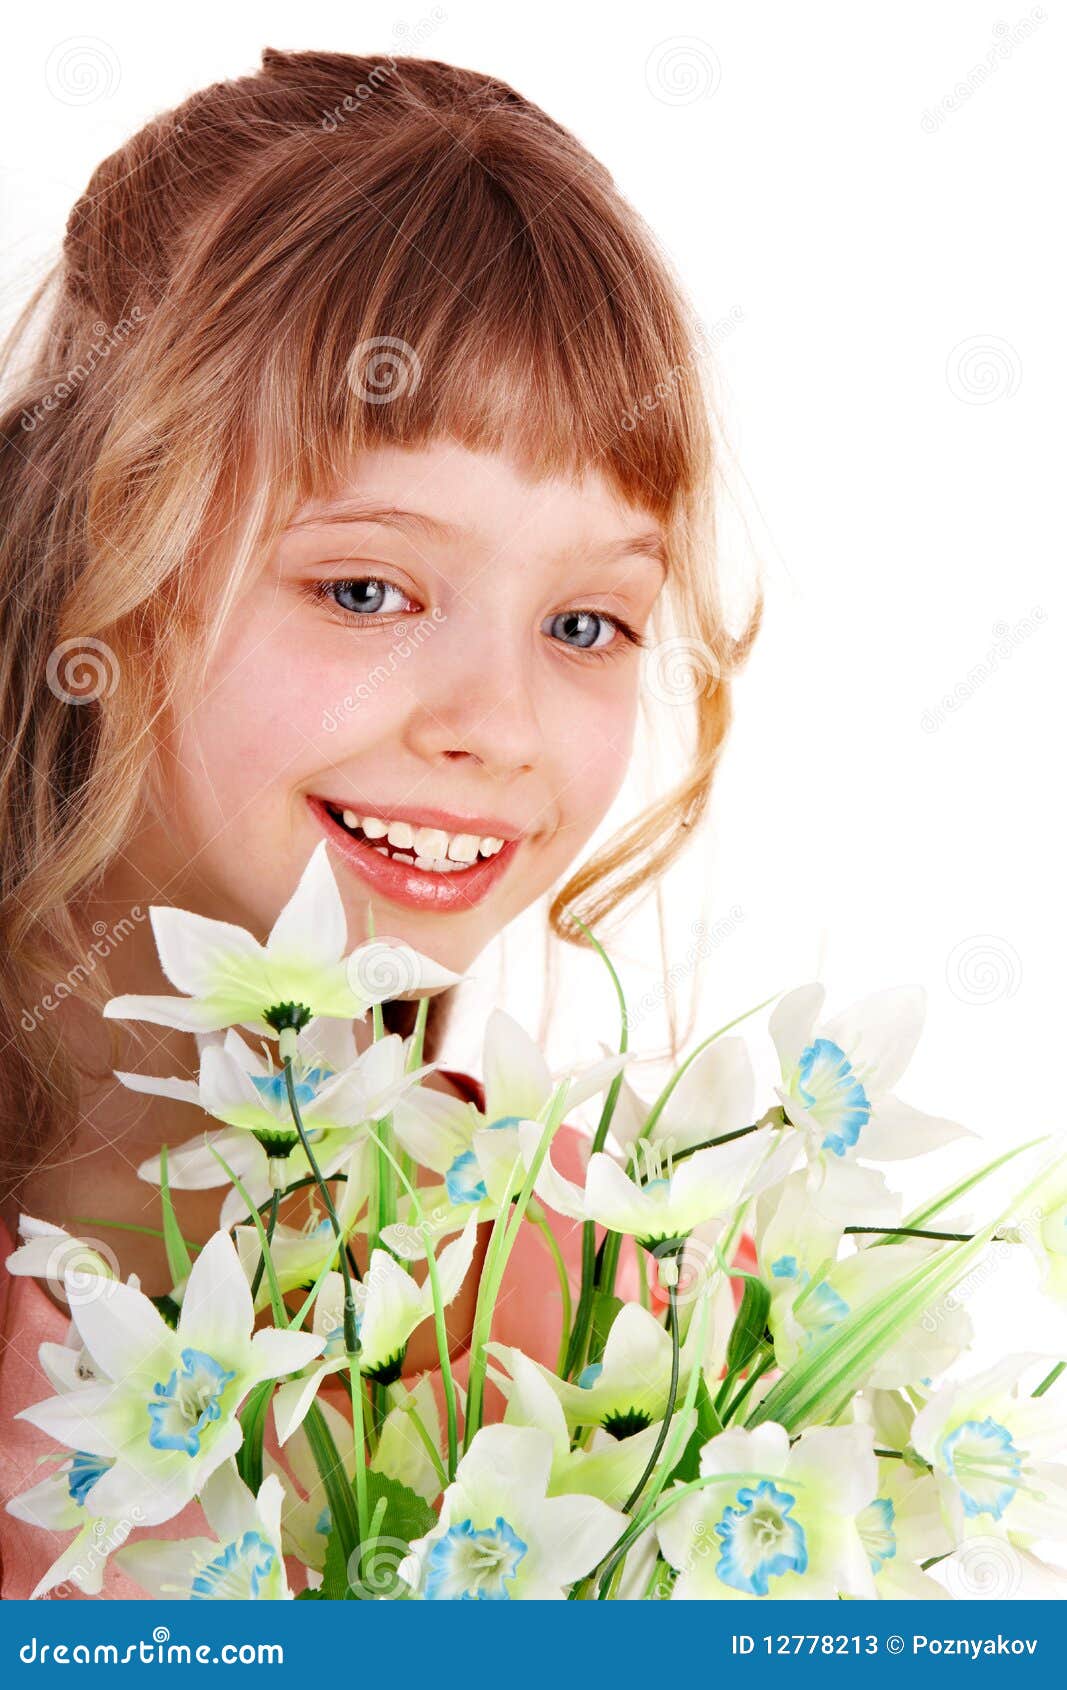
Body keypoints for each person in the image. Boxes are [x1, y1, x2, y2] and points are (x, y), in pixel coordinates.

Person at [0, 48, 759, 1597]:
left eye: (588, 623)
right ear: (95, 557)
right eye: (366, 589)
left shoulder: (621, 1318)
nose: (496, 723)